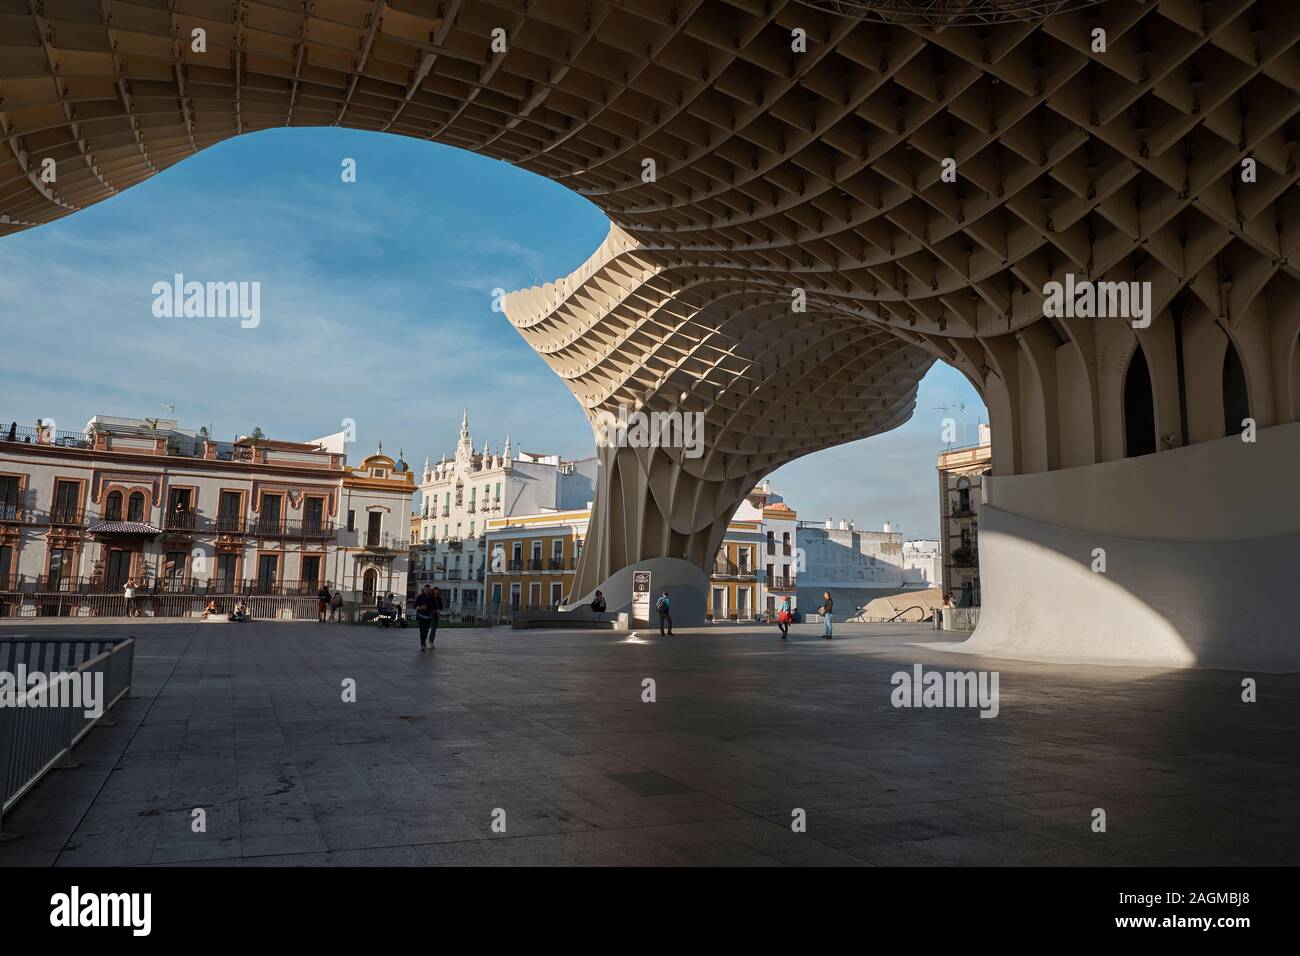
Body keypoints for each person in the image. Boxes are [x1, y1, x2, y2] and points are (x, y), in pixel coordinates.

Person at [415, 584, 436, 650]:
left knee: (426, 631)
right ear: (424, 590)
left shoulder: (431, 597)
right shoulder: (420, 597)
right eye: (426, 589)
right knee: (422, 631)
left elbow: (434, 606)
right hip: (421, 616)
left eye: (428, 589)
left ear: (430, 590)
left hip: (428, 617)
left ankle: (423, 643)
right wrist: (419, 607)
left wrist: (434, 610)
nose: (427, 590)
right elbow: (415, 605)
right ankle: (422, 644)